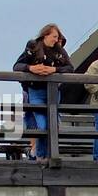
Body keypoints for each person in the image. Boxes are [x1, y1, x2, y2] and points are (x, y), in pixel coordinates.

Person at [13, 23, 73, 164]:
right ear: (45, 35)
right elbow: (17, 66)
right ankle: (40, 156)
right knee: (42, 125)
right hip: (35, 91)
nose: (56, 40)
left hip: (52, 92)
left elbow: (70, 67)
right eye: (54, 36)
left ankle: (43, 155)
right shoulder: (33, 46)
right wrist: (31, 68)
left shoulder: (59, 50)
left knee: (53, 125)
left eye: (57, 37)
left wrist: (54, 70)